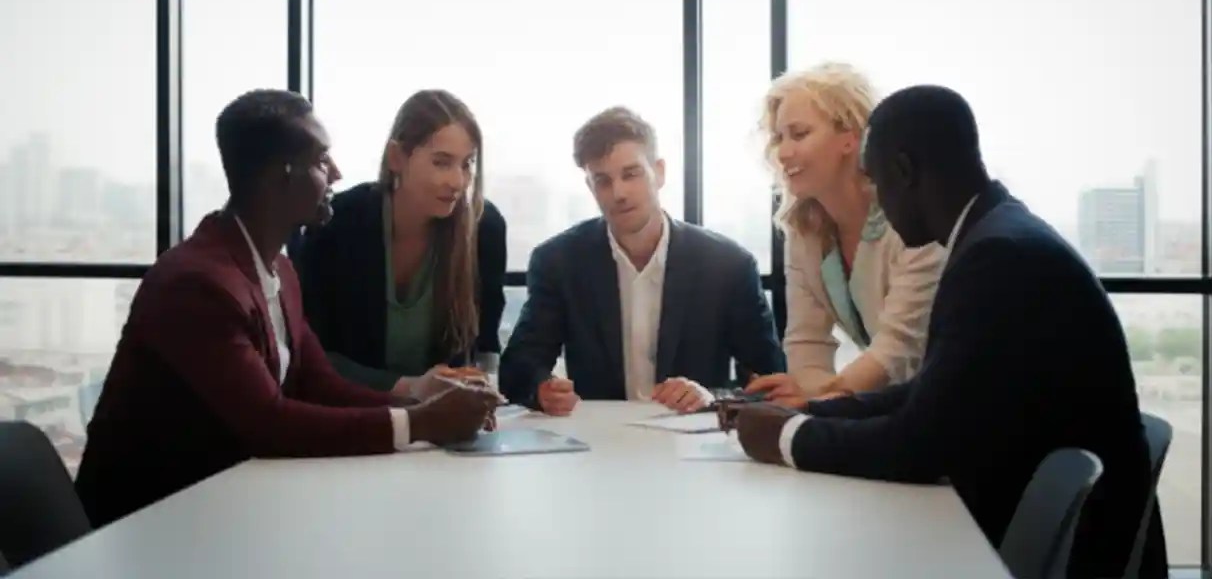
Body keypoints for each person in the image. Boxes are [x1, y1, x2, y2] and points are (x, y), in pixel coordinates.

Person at [730, 85, 1167, 577]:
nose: (875, 200)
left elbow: (920, 442)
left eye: (874, 181)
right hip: (1036, 509)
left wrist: (791, 436)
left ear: (903, 172)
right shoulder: (996, 234)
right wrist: (815, 408)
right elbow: (935, 393)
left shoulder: (996, 257)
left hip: (1068, 547)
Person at [75, 90, 499, 528]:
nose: (335, 172)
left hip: (230, 507)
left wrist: (424, 400)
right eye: (320, 160)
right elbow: (269, 423)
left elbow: (321, 386)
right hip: (146, 526)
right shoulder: (198, 283)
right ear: (281, 176)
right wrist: (420, 422)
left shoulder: (278, 270)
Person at [499, 107, 785, 415]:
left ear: (659, 172)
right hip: (598, 441)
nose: (619, 192)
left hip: (692, 441)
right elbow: (517, 369)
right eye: (603, 181)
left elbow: (771, 384)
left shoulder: (729, 266)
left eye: (631, 174)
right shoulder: (559, 262)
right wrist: (542, 389)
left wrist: (710, 397)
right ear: (590, 187)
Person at [743, 63, 946, 406]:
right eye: (780, 137)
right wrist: (815, 397)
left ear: (851, 138)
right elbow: (806, 343)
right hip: (893, 406)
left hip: (957, 404)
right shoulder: (805, 230)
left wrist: (817, 399)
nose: (783, 151)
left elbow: (896, 348)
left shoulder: (910, 221)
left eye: (800, 133)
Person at [290, 90, 507, 394]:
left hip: (444, 424)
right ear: (397, 158)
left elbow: (485, 348)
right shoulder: (337, 223)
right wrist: (408, 387)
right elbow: (309, 355)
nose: (458, 181)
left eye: (467, 164)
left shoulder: (484, 228)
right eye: (441, 163)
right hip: (354, 414)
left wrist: (481, 389)